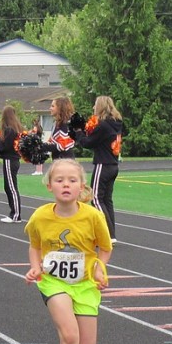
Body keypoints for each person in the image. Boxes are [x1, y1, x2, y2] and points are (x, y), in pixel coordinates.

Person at [24, 159, 113, 344]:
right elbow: (35, 245)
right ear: (49, 185)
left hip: (84, 284)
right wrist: (35, 267)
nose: (66, 185)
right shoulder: (41, 216)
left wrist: (98, 267)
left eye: (72, 180)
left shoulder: (93, 216)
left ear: (81, 186)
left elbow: (105, 248)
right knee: (70, 336)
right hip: (53, 282)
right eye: (60, 180)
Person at [74, 95, 123, 244]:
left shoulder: (103, 125)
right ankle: (112, 234)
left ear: (100, 106)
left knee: (96, 198)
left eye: (95, 105)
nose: (93, 108)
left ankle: (106, 233)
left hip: (103, 164)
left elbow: (89, 143)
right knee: (107, 200)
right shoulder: (117, 123)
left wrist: (78, 133)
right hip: (114, 164)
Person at [0, 106, 24, 223]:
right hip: (12, 160)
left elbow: (5, 147)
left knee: (12, 187)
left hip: (10, 160)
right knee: (8, 187)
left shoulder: (10, 130)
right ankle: (13, 212)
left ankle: (16, 215)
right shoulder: (15, 128)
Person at [46, 97, 77, 162]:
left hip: (65, 161)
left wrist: (42, 147)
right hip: (58, 160)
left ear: (60, 108)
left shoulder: (66, 124)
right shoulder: (57, 123)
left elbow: (61, 146)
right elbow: (51, 142)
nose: (50, 108)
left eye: (52, 106)